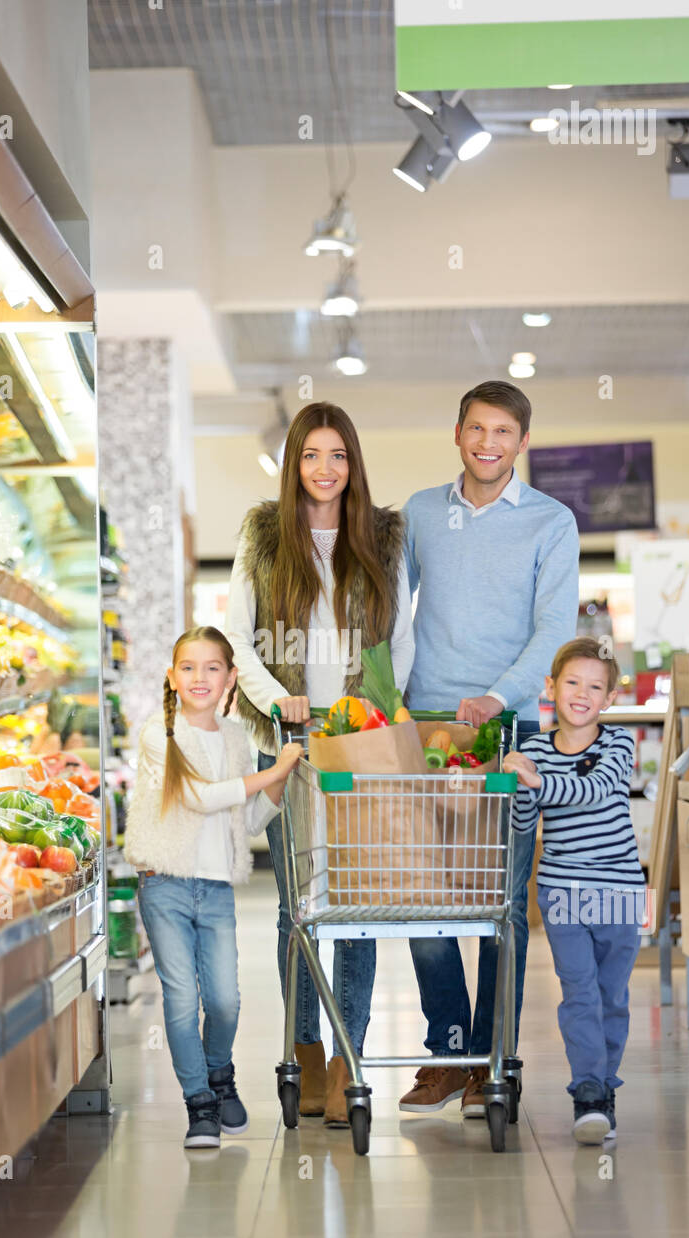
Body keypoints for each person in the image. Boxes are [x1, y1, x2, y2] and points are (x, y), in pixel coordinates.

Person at [226, 401, 415, 1126]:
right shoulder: (266, 538)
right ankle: (304, 1054)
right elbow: (239, 638)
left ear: (353, 463)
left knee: (358, 905)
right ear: (293, 463)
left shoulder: (383, 539)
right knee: (296, 910)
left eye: (338, 456)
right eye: (311, 455)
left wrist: (380, 708)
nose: (325, 469)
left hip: (357, 746)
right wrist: (281, 700)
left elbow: (405, 637)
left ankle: (347, 1059)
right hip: (290, 749)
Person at [400, 380, 579, 1119]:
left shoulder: (551, 522)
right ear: (457, 433)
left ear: (521, 442)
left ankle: (492, 1061)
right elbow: (386, 609)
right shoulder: (419, 513)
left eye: (503, 432)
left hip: (511, 734)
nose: (488, 443)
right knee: (425, 896)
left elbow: (553, 629)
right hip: (426, 730)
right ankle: (448, 1054)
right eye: (477, 429)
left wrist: (501, 697)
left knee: (501, 902)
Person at [124, 625, 303, 1149]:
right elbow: (201, 797)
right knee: (182, 1000)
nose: (200, 677)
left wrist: (281, 782)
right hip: (166, 885)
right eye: (188, 667)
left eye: (212, 668)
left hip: (218, 886)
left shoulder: (234, 738)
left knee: (224, 1000)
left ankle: (220, 1074)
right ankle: (200, 1104)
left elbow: (245, 819)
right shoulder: (160, 733)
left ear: (230, 678)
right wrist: (270, 775)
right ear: (172, 676)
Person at [505, 638, 643, 1144]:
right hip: (562, 891)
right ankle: (588, 1093)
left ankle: (605, 1087)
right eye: (572, 682)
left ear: (608, 699)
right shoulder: (534, 750)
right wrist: (520, 785)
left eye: (595, 686)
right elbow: (525, 824)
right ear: (551, 687)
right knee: (579, 993)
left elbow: (594, 790)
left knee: (612, 996)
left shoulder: (618, 744)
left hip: (620, 890)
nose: (582, 694)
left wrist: (537, 783)